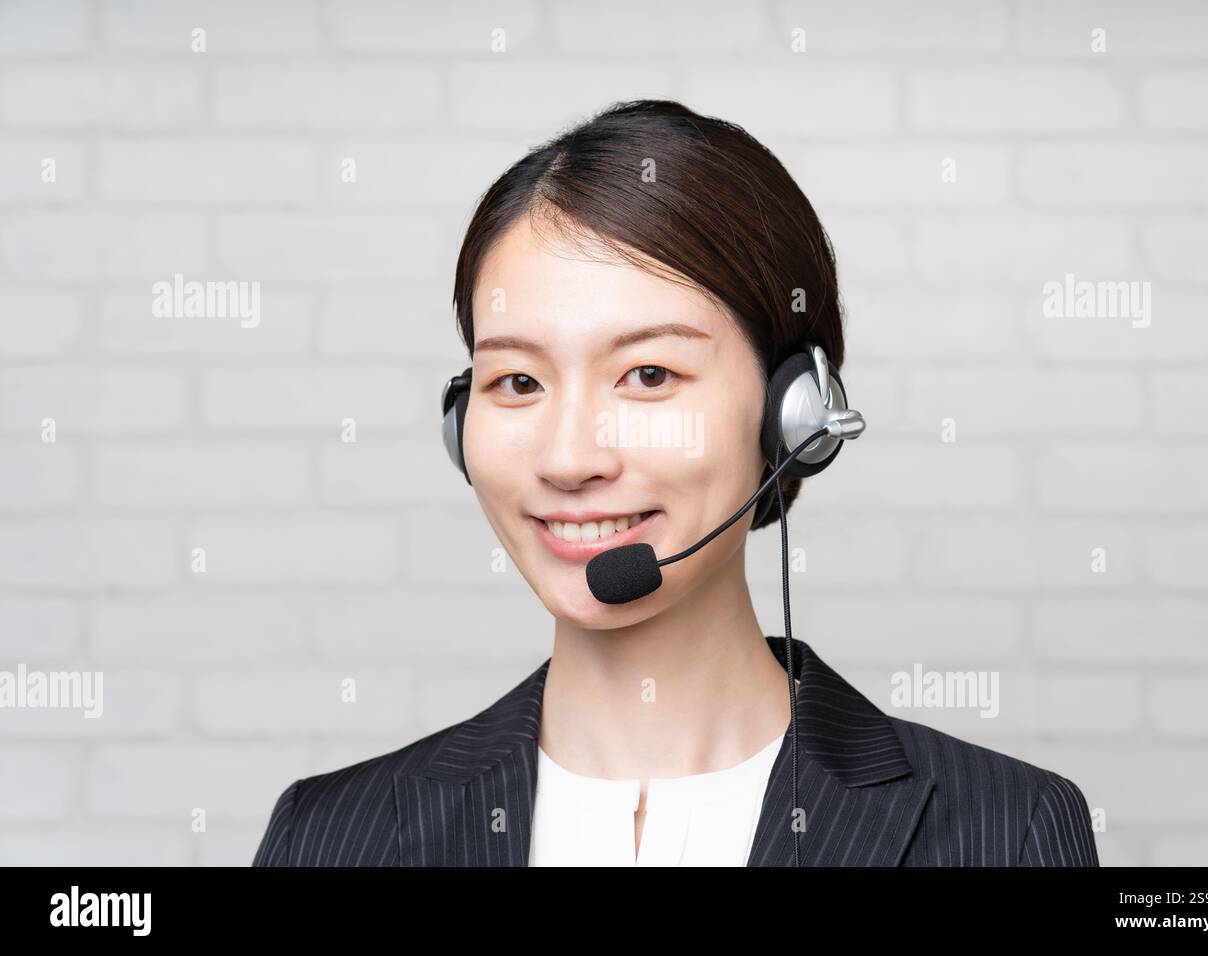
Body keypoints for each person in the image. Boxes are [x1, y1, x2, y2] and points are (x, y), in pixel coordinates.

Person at [252, 99, 1099, 867]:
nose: (570, 459)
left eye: (650, 374)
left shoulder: (1007, 831)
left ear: (790, 417)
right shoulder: (327, 836)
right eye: (517, 382)